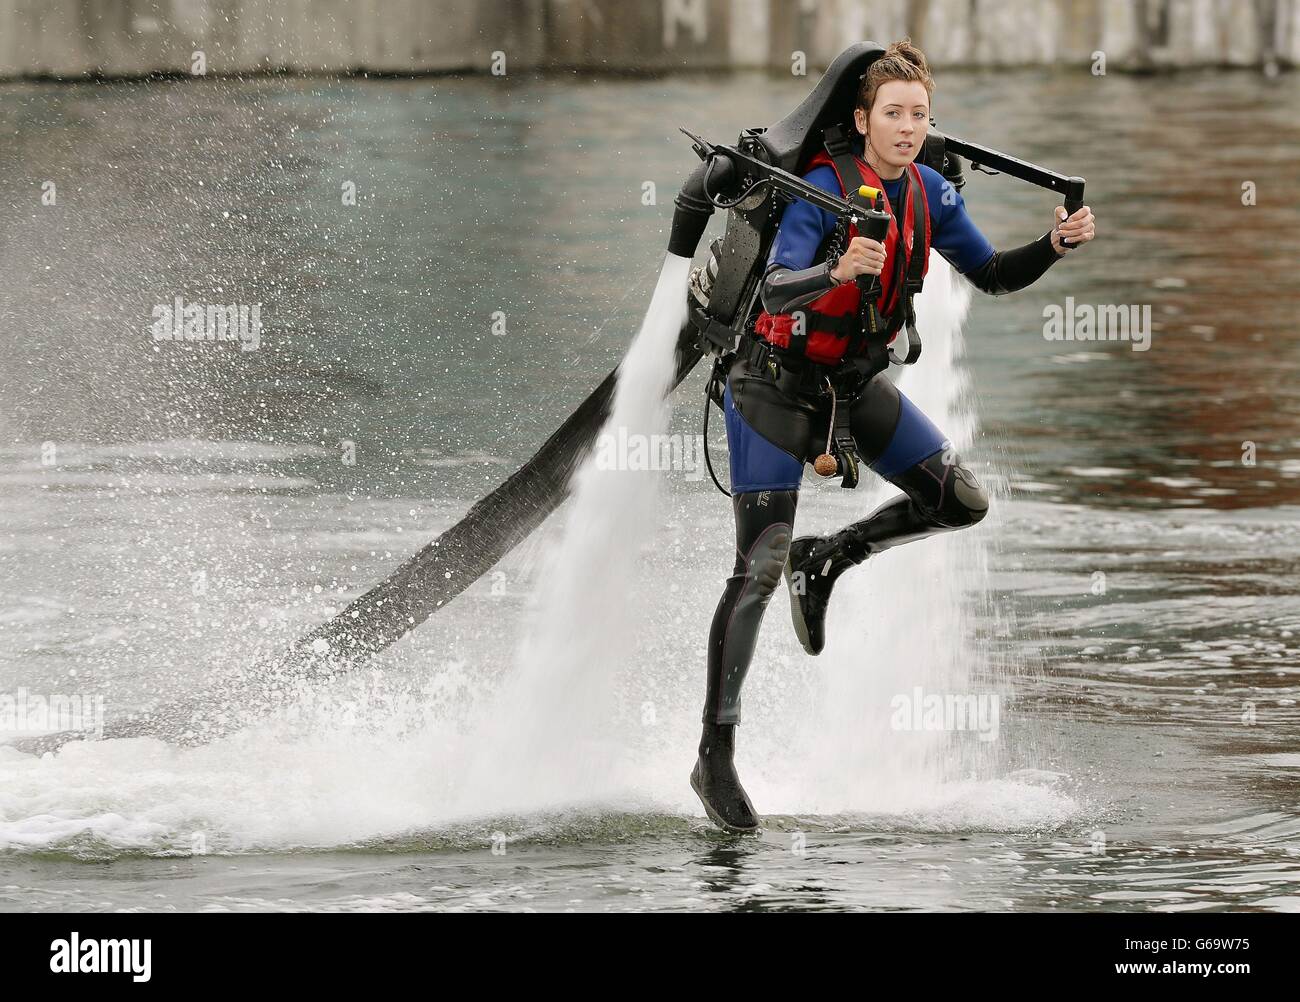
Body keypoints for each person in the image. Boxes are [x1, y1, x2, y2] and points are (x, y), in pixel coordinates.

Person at [690, 38, 1097, 833]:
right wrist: (835, 272)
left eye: (920, 114)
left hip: (852, 390)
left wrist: (1053, 245)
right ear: (863, 118)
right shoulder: (821, 189)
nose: (909, 127)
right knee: (757, 564)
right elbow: (775, 286)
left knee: (960, 502)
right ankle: (714, 755)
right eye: (894, 113)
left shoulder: (932, 196)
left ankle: (831, 558)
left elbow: (991, 273)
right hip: (771, 385)